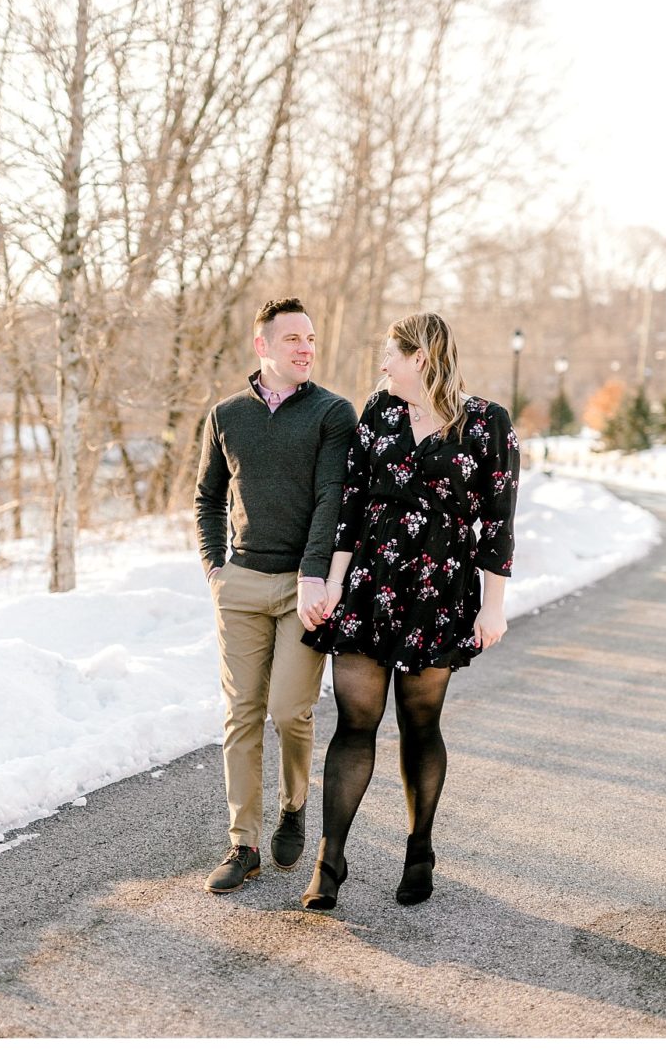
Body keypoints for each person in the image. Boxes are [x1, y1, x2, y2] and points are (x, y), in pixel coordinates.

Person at [298, 312, 520, 909]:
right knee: (354, 721)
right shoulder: (380, 411)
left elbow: (497, 523)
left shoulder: (487, 422)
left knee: (421, 725)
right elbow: (350, 504)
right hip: (372, 584)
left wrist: (493, 608)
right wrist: (335, 585)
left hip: (439, 591)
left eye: (390, 355)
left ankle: (419, 848)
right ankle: (330, 858)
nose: (382, 366)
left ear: (418, 357)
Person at [194, 298, 357, 894]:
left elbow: (331, 498)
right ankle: (244, 844)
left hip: (301, 589)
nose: (306, 348)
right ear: (262, 346)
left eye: (310, 338)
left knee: (289, 710)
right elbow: (207, 499)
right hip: (240, 584)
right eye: (292, 338)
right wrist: (216, 570)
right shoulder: (226, 415)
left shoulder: (333, 413)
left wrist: (315, 577)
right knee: (240, 715)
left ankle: (293, 805)